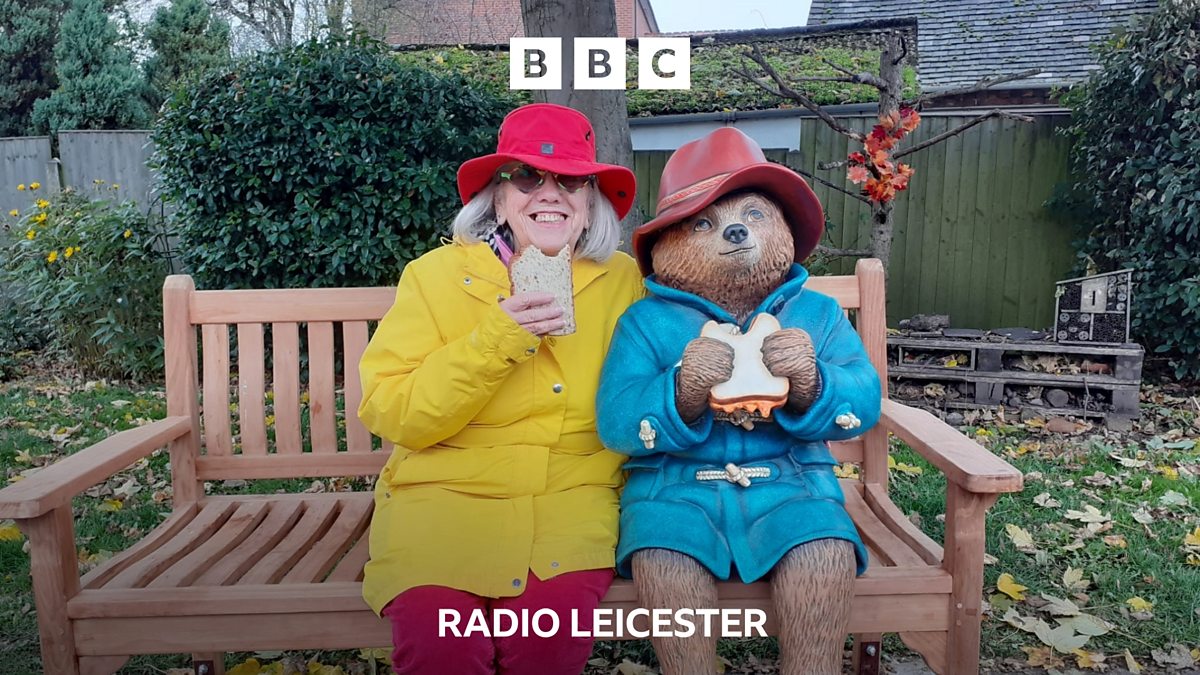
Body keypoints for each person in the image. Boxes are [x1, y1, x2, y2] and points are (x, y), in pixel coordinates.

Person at [357, 102, 643, 675]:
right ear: (497, 195)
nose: (549, 192)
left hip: (570, 499)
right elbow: (394, 410)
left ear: (590, 200)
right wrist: (497, 338)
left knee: (546, 648)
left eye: (570, 179)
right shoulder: (433, 276)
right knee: (441, 649)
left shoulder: (623, 279)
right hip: (442, 499)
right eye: (528, 176)